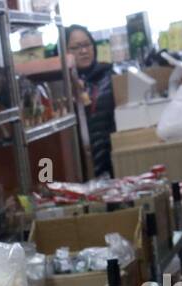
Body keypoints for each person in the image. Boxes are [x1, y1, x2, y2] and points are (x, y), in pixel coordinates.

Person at [67, 25, 116, 178]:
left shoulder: (110, 76)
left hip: (111, 163)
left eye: (87, 44)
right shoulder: (61, 86)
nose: (83, 51)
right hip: (78, 170)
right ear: (65, 52)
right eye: (76, 47)